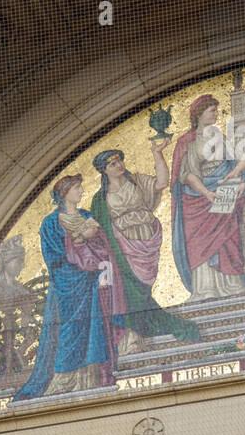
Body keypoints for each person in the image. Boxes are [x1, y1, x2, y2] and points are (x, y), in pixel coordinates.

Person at [89, 145, 199, 352]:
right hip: (122, 249)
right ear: (104, 170)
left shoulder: (137, 181)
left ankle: (142, 325)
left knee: (142, 287)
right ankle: (138, 329)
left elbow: (162, 183)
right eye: (113, 164)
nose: (119, 166)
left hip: (146, 243)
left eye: (119, 161)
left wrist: (157, 153)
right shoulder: (100, 199)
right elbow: (100, 233)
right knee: (131, 289)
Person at [14, 175, 112, 399]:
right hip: (66, 283)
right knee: (68, 330)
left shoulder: (87, 215)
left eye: (80, 187)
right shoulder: (51, 222)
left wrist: (92, 254)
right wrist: (78, 242)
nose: (81, 191)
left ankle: (88, 378)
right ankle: (63, 380)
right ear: (65, 193)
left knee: (91, 327)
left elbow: (100, 242)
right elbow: (54, 255)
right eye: (77, 188)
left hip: (89, 281)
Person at [170, 95, 245, 300]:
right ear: (200, 114)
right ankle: (206, 288)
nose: (216, 114)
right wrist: (207, 193)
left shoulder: (220, 137)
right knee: (201, 242)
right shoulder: (188, 141)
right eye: (212, 111)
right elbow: (188, 174)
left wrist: (241, 181)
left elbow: (233, 164)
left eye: (217, 110)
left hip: (224, 191)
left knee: (229, 237)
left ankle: (233, 283)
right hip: (198, 198)